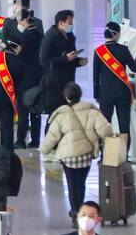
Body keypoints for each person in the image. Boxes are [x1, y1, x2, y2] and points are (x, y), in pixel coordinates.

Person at [42, 83, 114, 224]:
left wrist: (44, 150)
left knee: (72, 185)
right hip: (86, 155)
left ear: (66, 97)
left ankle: (76, 212)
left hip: (69, 157)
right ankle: (79, 210)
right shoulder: (92, 112)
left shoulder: (62, 115)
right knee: (81, 183)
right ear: (80, 95)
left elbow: (52, 137)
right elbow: (106, 131)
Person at [5, 0, 44, 149]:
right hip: (37, 75)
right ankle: (35, 140)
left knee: (22, 109)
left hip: (25, 76)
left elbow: (21, 54)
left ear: (25, 20)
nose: (19, 24)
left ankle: (20, 139)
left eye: (20, 21)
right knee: (35, 109)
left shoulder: (26, 36)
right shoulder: (39, 34)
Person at [93, 21, 136, 137]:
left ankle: (106, 153)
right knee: (124, 127)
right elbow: (134, 68)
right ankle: (124, 154)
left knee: (105, 126)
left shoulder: (99, 52)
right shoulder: (123, 49)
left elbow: (96, 75)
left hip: (105, 94)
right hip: (122, 93)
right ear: (116, 34)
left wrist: (96, 95)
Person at [40, 10, 87, 118]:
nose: (72, 25)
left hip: (68, 81)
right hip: (54, 83)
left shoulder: (69, 35)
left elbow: (70, 56)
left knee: (68, 114)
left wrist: (78, 61)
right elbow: (44, 61)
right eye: (69, 23)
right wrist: (64, 59)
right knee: (55, 115)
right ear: (61, 23)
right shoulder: (50, 36)